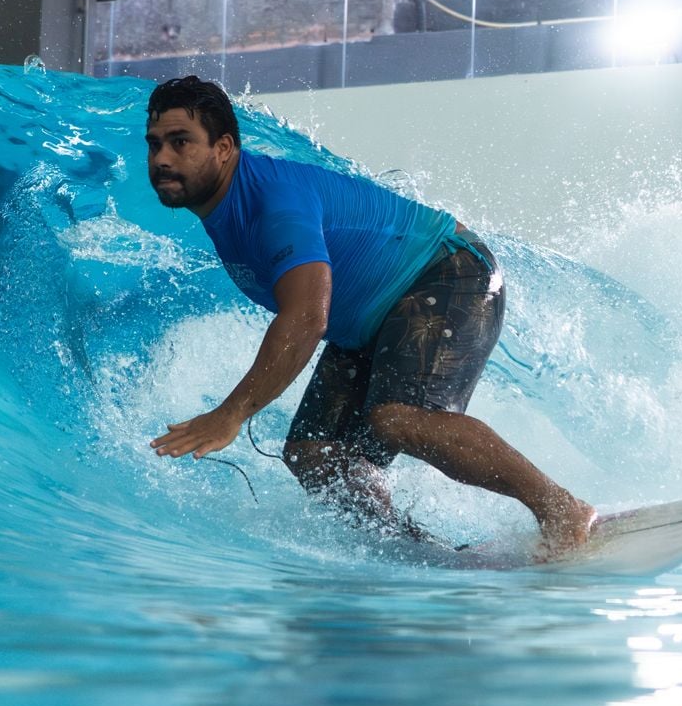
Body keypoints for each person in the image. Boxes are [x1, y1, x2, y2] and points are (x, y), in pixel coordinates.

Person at [144, 77, 596, 555]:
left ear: (224, 148)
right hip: (372, 321)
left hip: (447, 270)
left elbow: (305, 319)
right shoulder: (226, 210)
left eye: (180, 142)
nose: (161, 160)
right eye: (154, 145)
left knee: (399, 417)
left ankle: (561, 509)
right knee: (314, 453)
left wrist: (230, 414)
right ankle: (420, 550)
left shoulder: (273, 203)